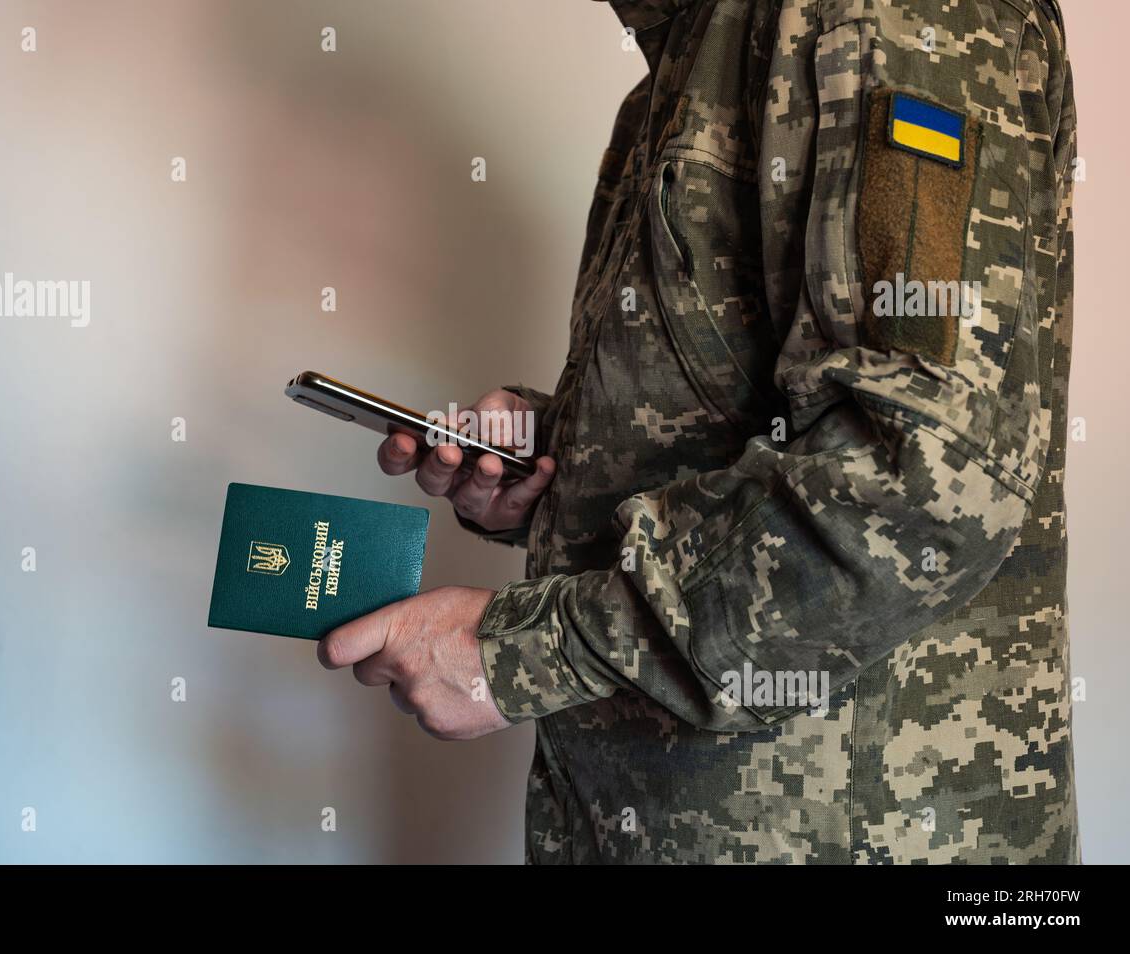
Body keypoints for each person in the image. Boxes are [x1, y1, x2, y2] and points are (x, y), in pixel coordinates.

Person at [317, 0, 1079, 864]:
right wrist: (561, 462)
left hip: (850, 832)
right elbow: (761, 407)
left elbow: (924, 481)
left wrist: (517, 653)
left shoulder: (871, 12)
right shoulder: (694, 53)